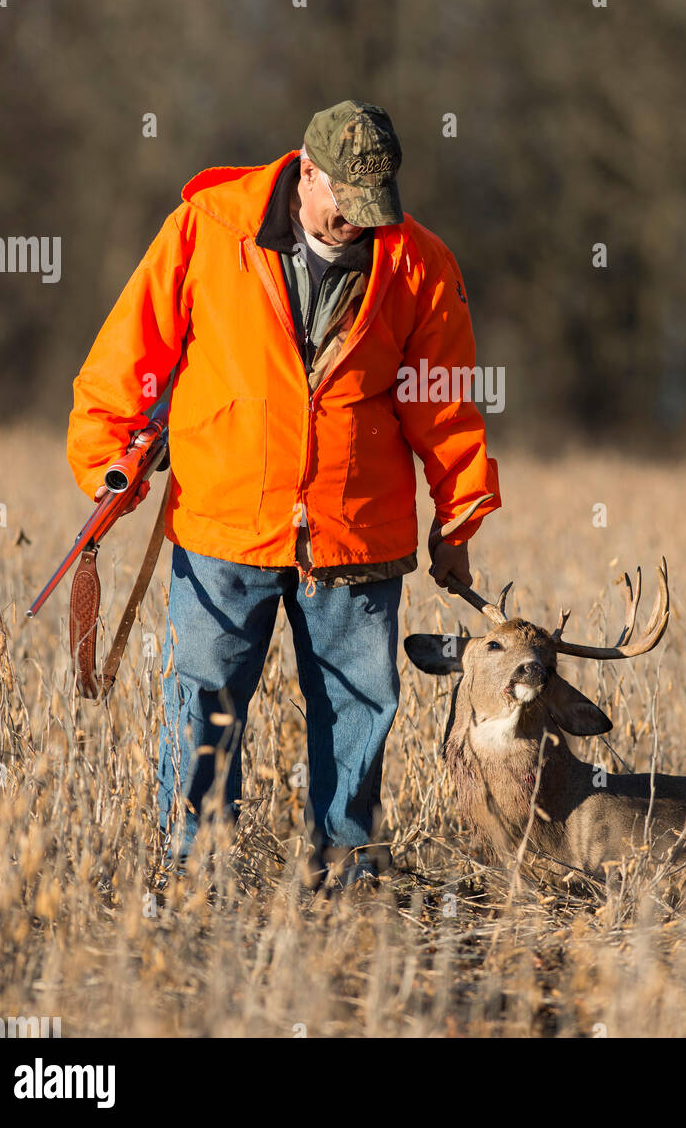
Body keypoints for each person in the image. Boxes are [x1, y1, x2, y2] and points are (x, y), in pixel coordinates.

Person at [67, 100, 500, 890]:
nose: (358, 224)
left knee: (360, 707)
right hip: (223, 519)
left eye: (375, 208)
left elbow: (441, 403)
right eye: (344, 205)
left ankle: (343, 871)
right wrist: (107, 462)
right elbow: (130, 348)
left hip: (357, 529)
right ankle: (196, 872)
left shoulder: (418, 262)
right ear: (306, 172)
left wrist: (460, 514)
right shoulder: (207, 228)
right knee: (204, 700)